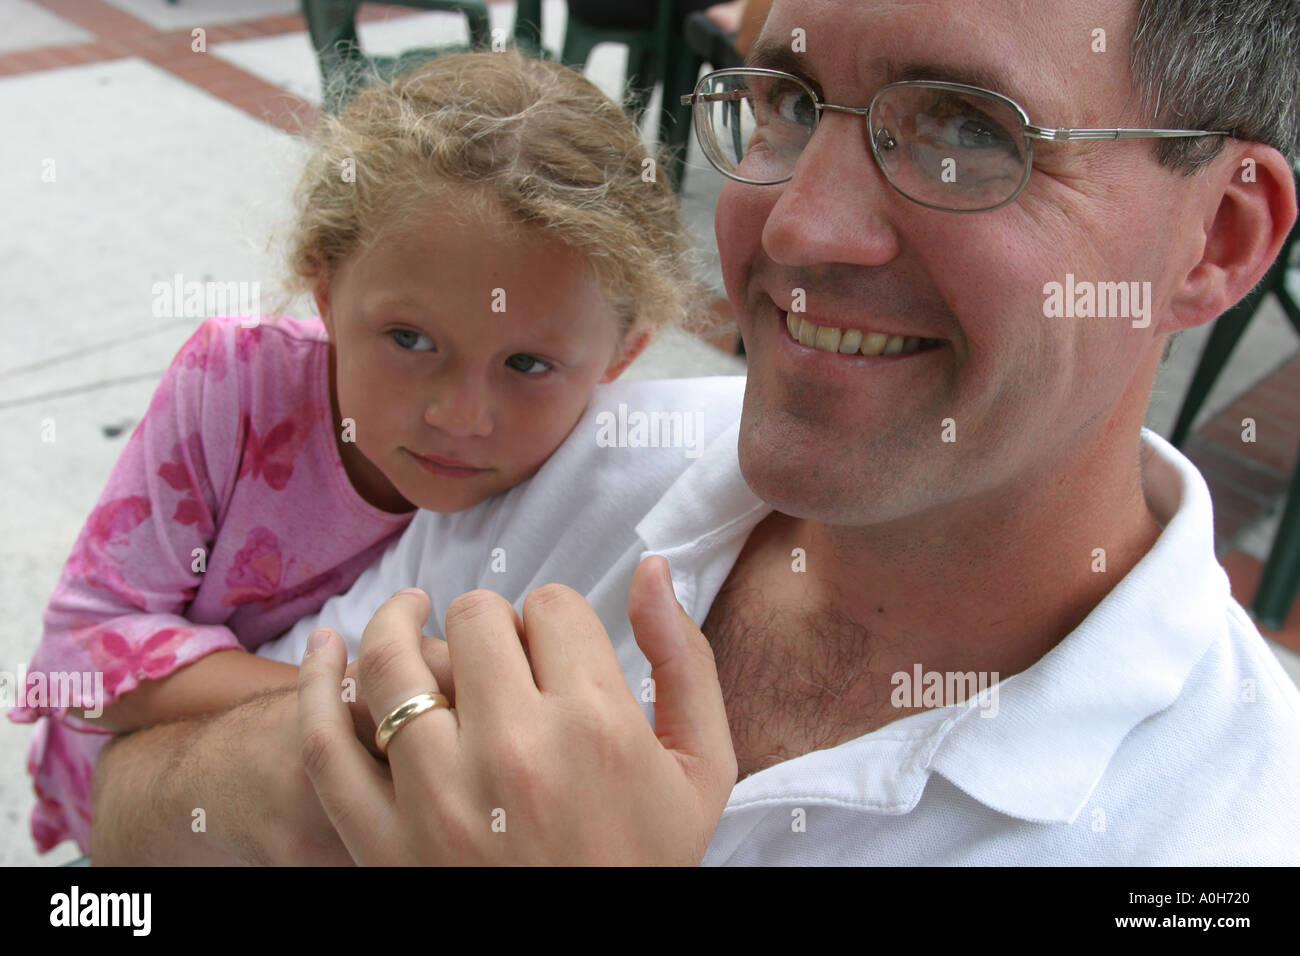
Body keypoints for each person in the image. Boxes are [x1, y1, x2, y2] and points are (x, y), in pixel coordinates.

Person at [93, 0, 1300, 865]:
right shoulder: (581, 456)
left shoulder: (1226, 827)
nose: (795, 227)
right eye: (784, 102)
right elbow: (127, 811)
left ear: (1220, 239)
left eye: (965, 130)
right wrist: (341, 766)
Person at [11, 49, 700, 857]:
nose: (460, 415)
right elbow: (79, 653)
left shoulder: (594, 467)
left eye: (527, 365)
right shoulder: (235, 387)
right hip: (135, 804)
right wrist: (380, 701)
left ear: (620, 357)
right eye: (409, 339)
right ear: (328, 291)